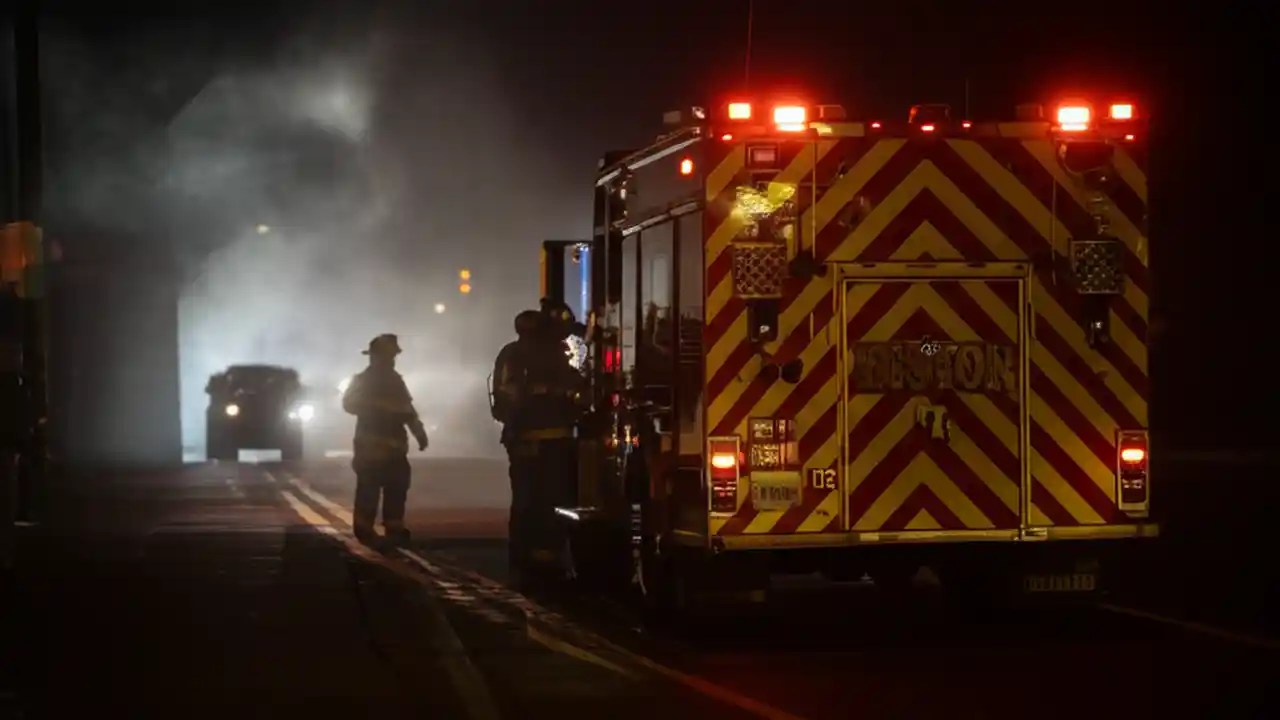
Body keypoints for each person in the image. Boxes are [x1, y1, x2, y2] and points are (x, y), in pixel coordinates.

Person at [516, 299, 586, 578]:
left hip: (538, 440)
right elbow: (569, 386)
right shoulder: (538, 356)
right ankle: (540, 562)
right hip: (545, 441)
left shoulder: (525, 353)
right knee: (544, 498)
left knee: (534, 499)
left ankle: (534, 558)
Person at [342, 333, 428, 547]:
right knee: (370, 487)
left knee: (396, 486)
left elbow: (408, 410)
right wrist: (378, 406)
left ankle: (393, 527)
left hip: (393, 447)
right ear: (376, 357)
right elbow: (348, 404)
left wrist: (419, 432)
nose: (391, 360)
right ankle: (364, 528)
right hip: (371, 446)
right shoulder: (363, 380)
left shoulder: (395, 380)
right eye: (388, 356)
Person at [491, 310, 543, 574]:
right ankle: (529, 559)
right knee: (531, 498)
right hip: (531, 438)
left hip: (529, 439)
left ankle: (531, 558)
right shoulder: (520, 355)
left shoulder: (511, 353)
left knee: (529, 498)